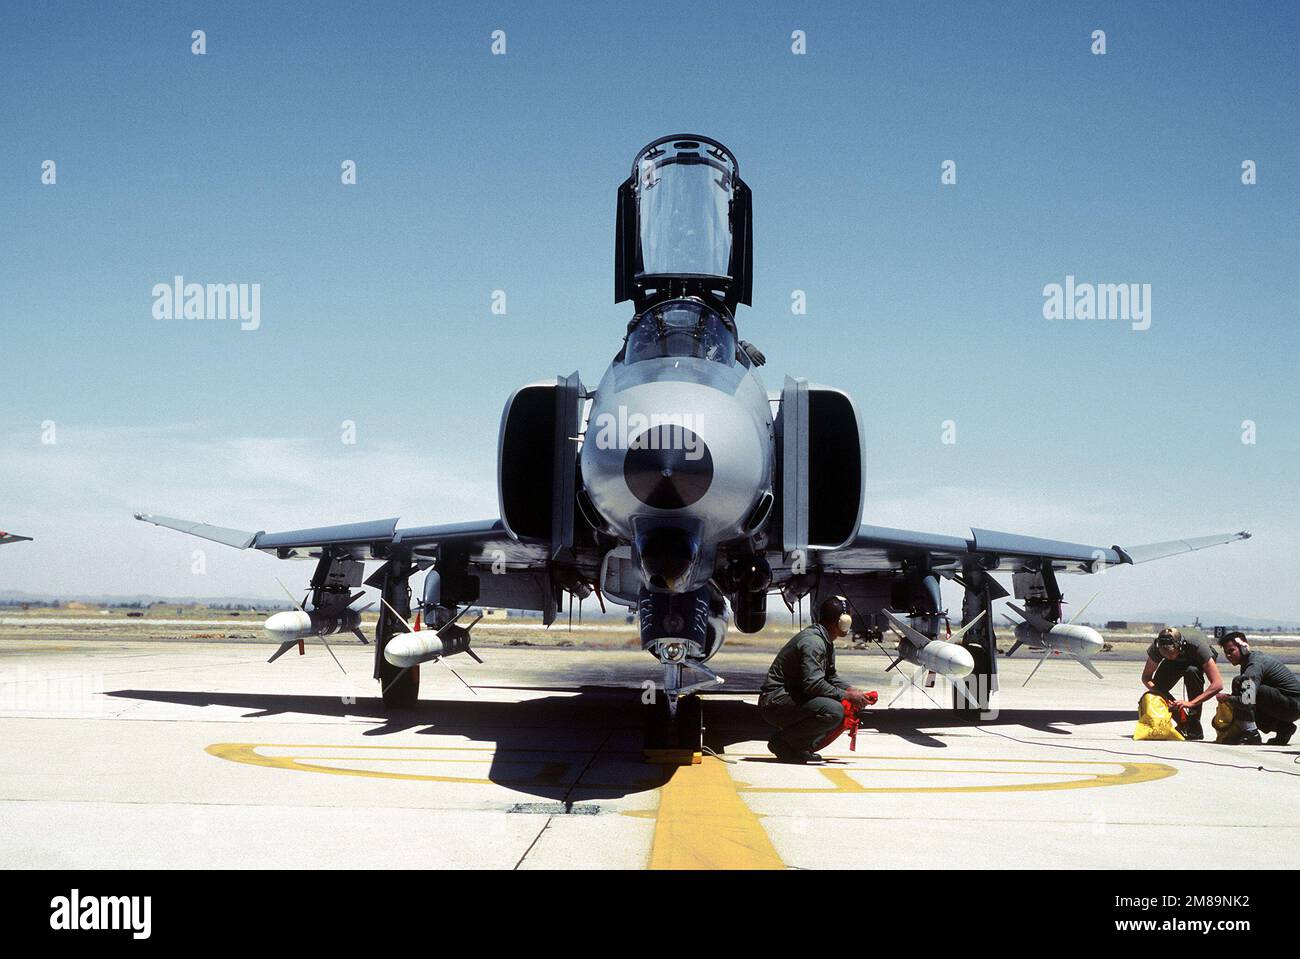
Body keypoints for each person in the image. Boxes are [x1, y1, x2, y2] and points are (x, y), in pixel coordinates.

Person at [759, 595, 874, 764]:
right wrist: (847, 696)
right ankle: (783, 743)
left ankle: (796, 747)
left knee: (840, 706)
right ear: (843, 621)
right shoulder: (814, 642)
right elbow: (812, 684)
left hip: (788, 697)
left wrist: (851, 691)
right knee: (833, 710)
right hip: (775, 702)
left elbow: (830, 676)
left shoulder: (824, 639)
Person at [1216, 632, 1300, 745]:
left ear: (1243, 648)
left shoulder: (1254, 666)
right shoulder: (1250, 661)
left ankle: (1251, 733)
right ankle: (1283, 728)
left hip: (1293, 705)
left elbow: (1247, 701)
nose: (1228, 656)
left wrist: (1228, 699)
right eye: (1226, 653)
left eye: (1231, 651)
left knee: (1244, 689)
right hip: (1290, 705)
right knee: (1244, 690)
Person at [1139, 626, 1223, 740]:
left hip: (1196, 660)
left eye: (1171, 653)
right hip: (1177, 661)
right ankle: (1183, 722)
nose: (1169, 657)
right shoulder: (1157, 648)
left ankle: (1194, 724)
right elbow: (1146, 678)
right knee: (1157, 688)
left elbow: (1217, 684)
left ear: (1180, 645)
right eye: (1165, 655)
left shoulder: (1197, 645)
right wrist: (1164, 697)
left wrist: (1192, 703)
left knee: (1192, 671)